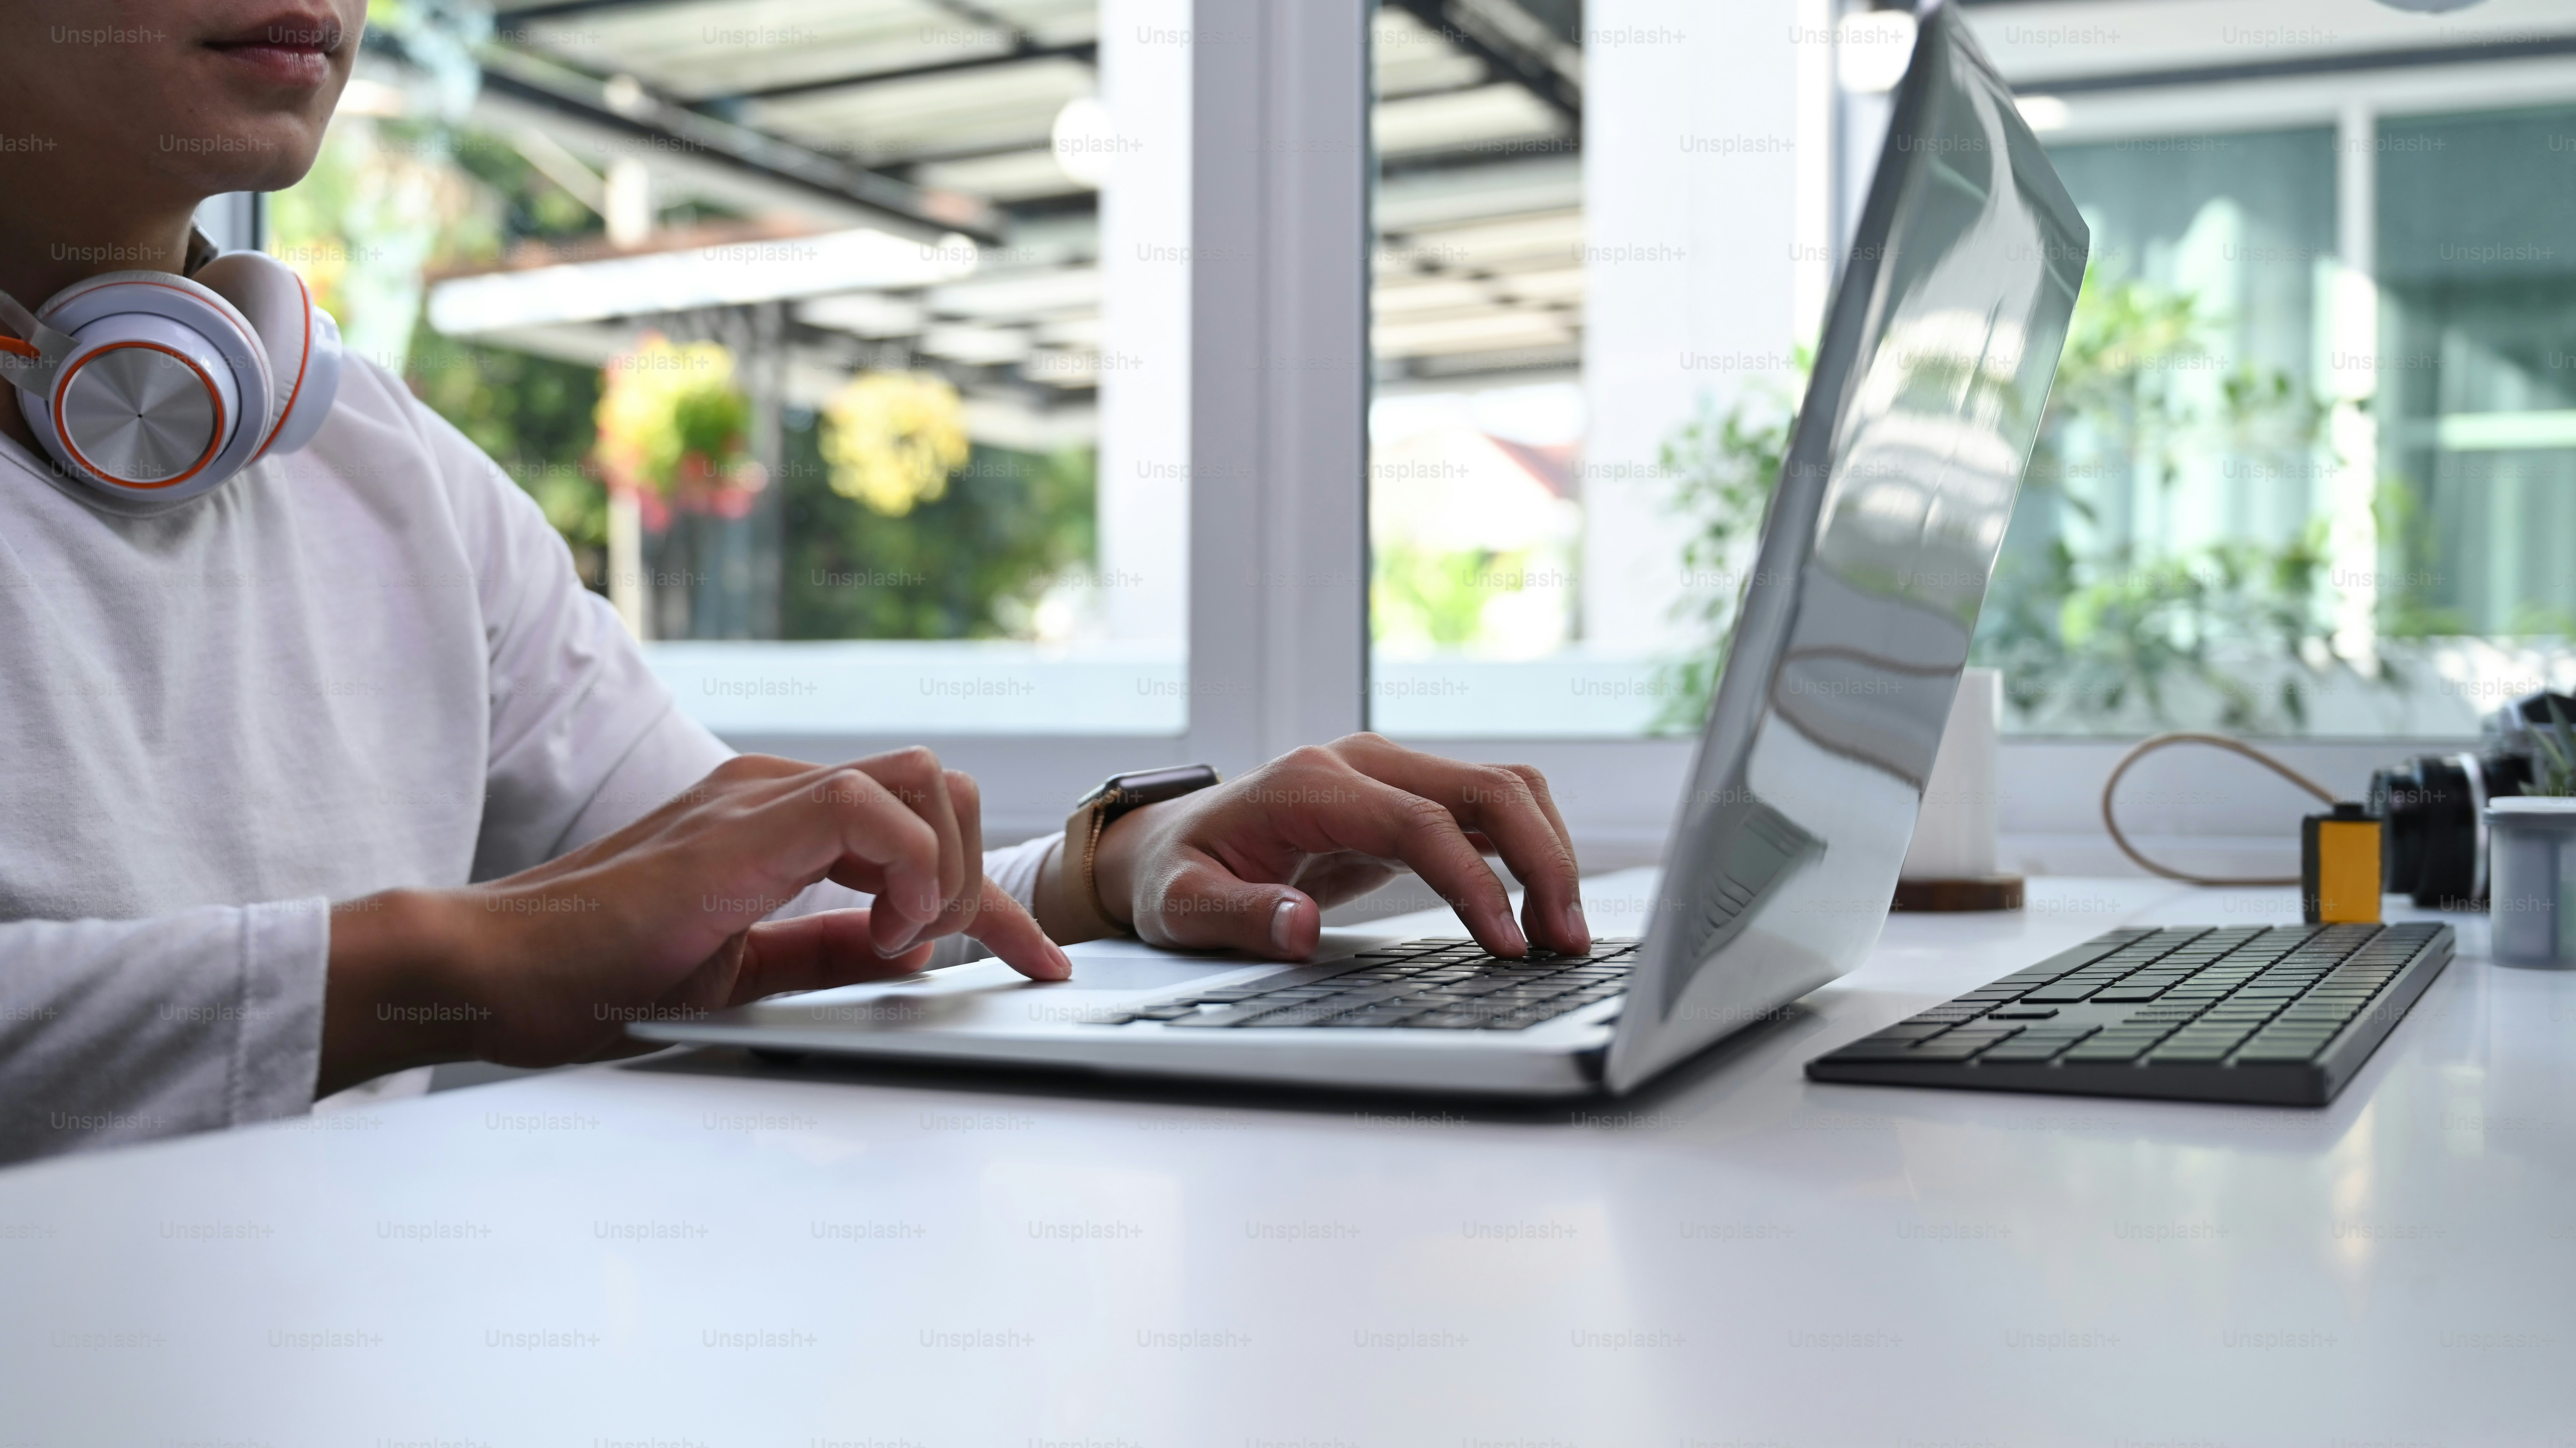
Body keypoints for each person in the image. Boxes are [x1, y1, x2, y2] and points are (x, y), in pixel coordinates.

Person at [0, 0, 1588, 1163]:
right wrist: (457, 961)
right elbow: (550, 941)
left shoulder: (385, 471)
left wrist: (1120, 859)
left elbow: (737, 895)